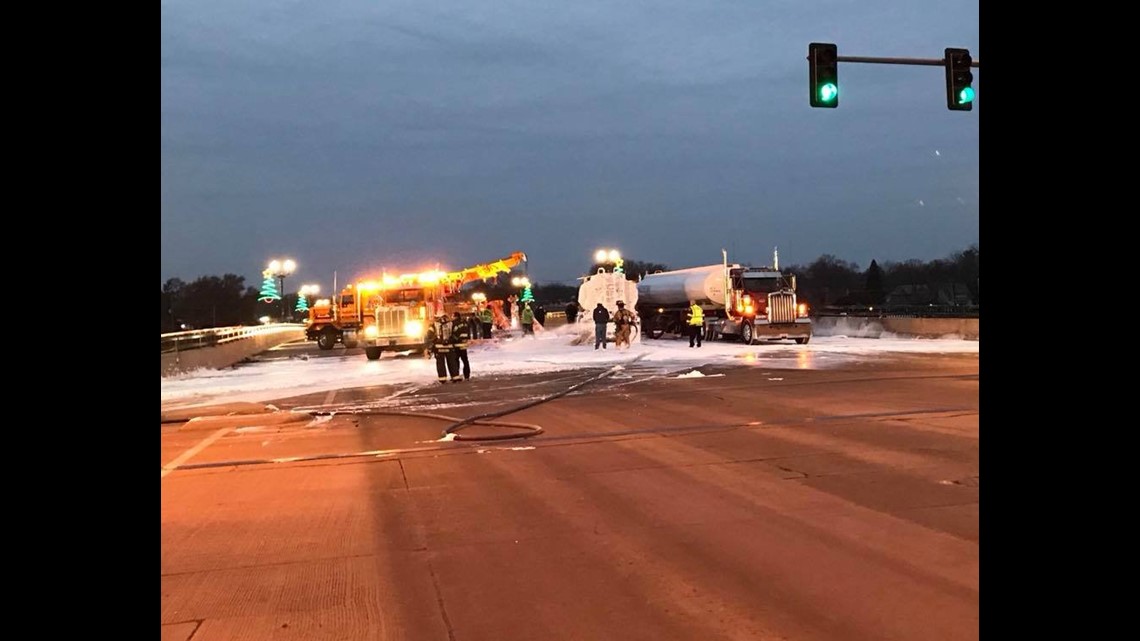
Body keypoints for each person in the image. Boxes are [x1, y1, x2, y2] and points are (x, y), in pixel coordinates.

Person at [425, 313, 461, 383]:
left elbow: (429, 334)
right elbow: (456, 333)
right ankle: (455, 377)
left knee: (440, 364)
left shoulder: (434, 325)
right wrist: (451, 341)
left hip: (439, 348)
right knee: (452, 362)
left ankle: (442, 379)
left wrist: (435, 341)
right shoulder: (451, 324)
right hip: (449, 347)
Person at [452, 312, 471, 380]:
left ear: (455, 316)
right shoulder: (465, 323)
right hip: (464, 344)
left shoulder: (454, 323)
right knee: (465, 360)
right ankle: (467, 375)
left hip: (457, 344)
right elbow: (468, 332)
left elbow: (453, 333)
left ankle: (456, 375)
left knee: (456, 360)